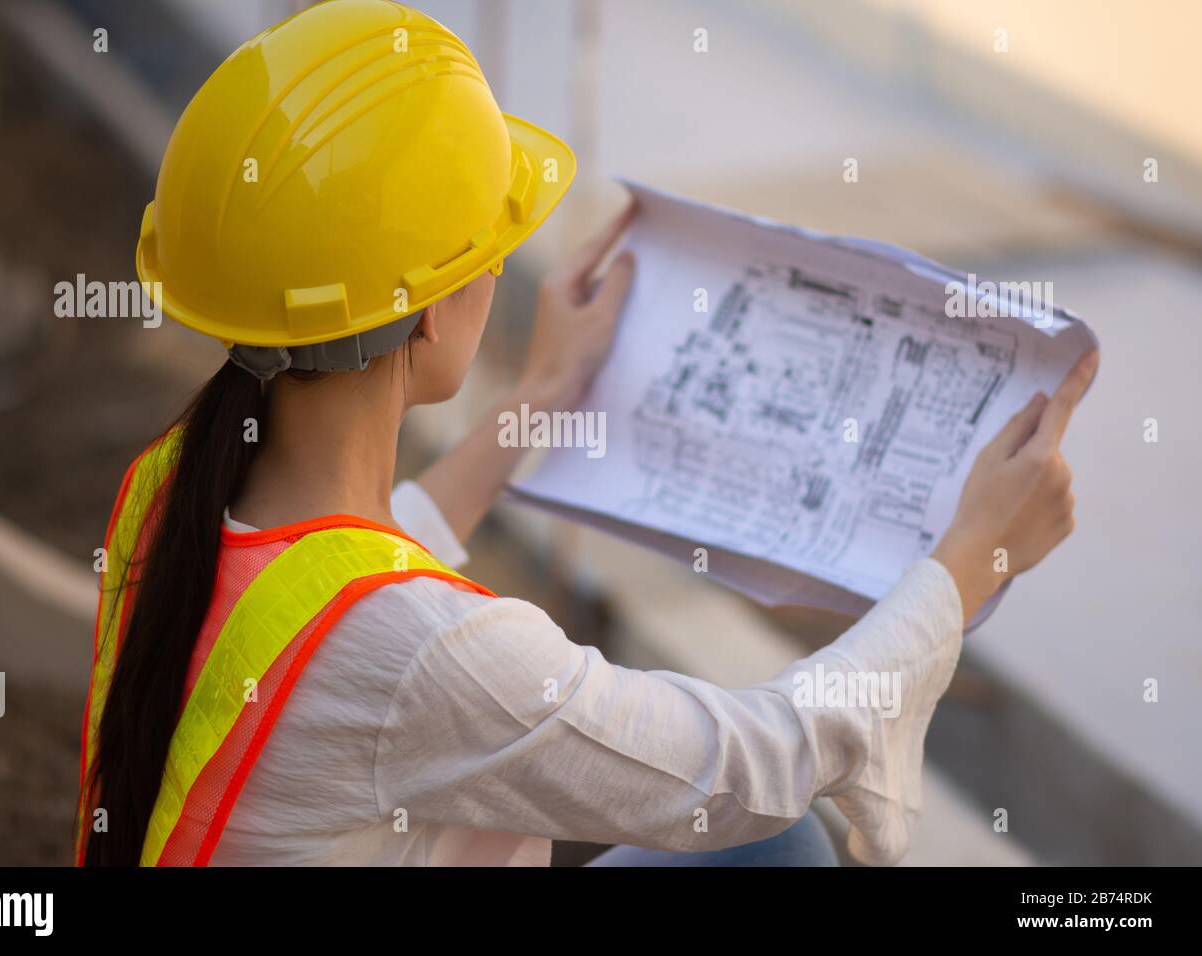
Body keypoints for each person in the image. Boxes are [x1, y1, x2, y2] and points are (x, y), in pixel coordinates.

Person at [76, 0, 1097, 867]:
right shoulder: (431, 655)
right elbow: (746, 765)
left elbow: (333, 599)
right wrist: (964, 565)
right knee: (773, 840)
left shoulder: (170, 487)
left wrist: (549, 387)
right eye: (490, 246)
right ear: (431, 313)